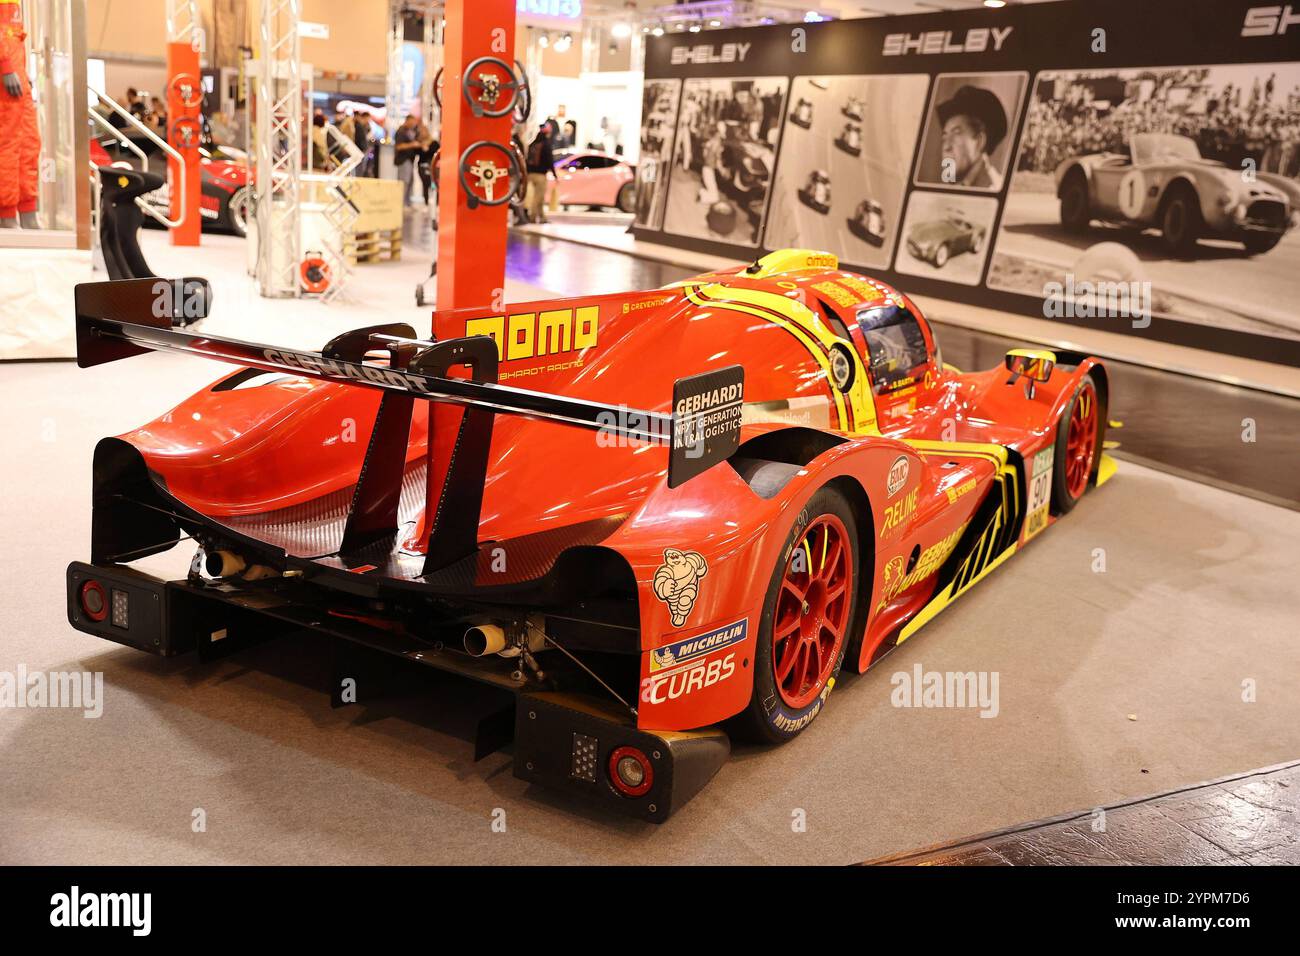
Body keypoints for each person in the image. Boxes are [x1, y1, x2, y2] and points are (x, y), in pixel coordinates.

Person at [935, 84, 1008, 189]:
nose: (946, 147)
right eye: (944, 137)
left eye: (956, 134)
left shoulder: (991, 189)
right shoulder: (955, 184)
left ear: (979, 142)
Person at [524, 122, 556, 223]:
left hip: (530, 174)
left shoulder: (533, 143)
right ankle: (533, 217)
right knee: (538, 197)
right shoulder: (546, 144)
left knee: (533, 196)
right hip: (540, 175)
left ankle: (541, 217)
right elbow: (549, 160)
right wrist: (554, 174)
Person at [392, 113, 421, 205]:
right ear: (407, 121)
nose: (413, 124)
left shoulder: (409, 131)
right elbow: (398, 146)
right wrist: (412, 145)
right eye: (412, 122)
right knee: (404, 182)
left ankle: (406, 203)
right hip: (403, 160)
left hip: (409, 160)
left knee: (409, 182)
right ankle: (401, 204)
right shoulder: (401, 131)